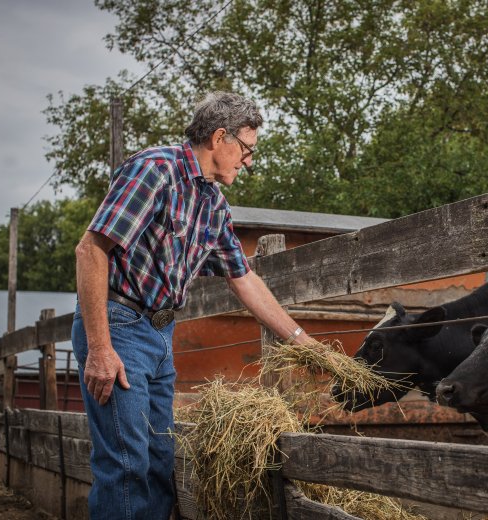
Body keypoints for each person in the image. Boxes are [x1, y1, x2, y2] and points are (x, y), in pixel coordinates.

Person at [72, 91, 312, 520]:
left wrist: (303, 341)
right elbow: (91, 250)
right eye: (247, 149)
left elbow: (243, 277)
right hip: (119, 324)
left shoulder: (212, 203)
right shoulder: (155, 170)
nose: (249, 161)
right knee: (127, 464)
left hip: (160, 333)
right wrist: (100, 348)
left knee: (160, 460)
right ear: (220, 138)